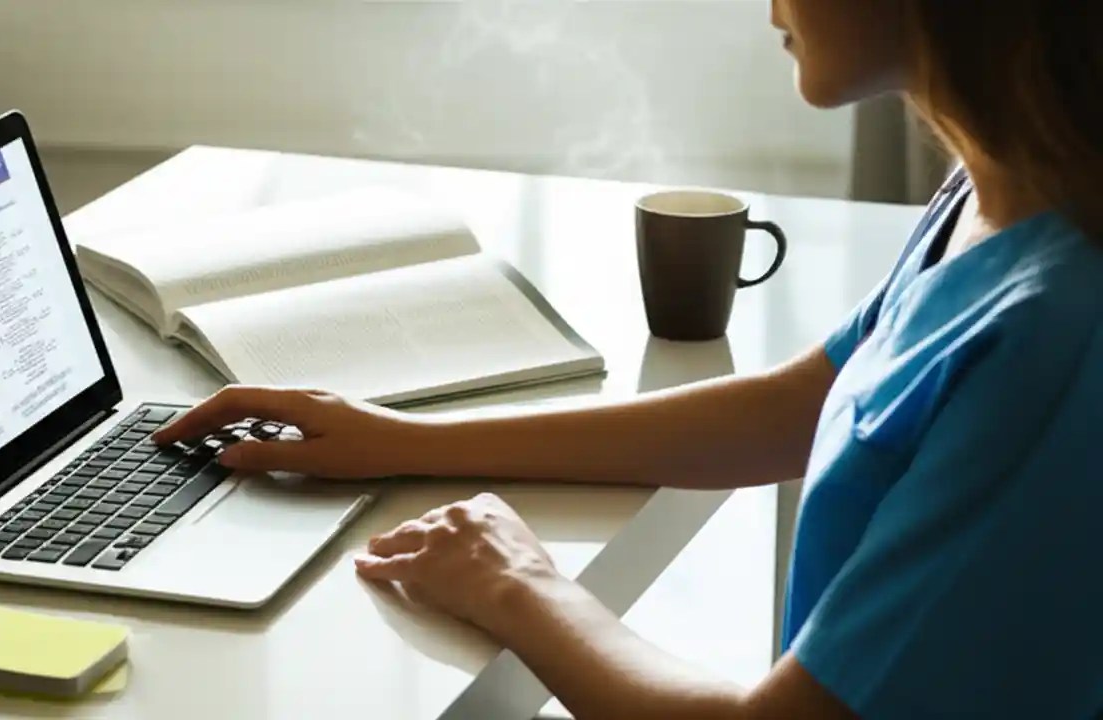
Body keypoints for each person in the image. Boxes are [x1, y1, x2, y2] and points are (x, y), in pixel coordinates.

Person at [155, 1, 1103, 716]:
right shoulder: (993, 191)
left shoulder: (1056, 334)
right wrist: (405, 439)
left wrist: (519, 586)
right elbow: (804, 403)